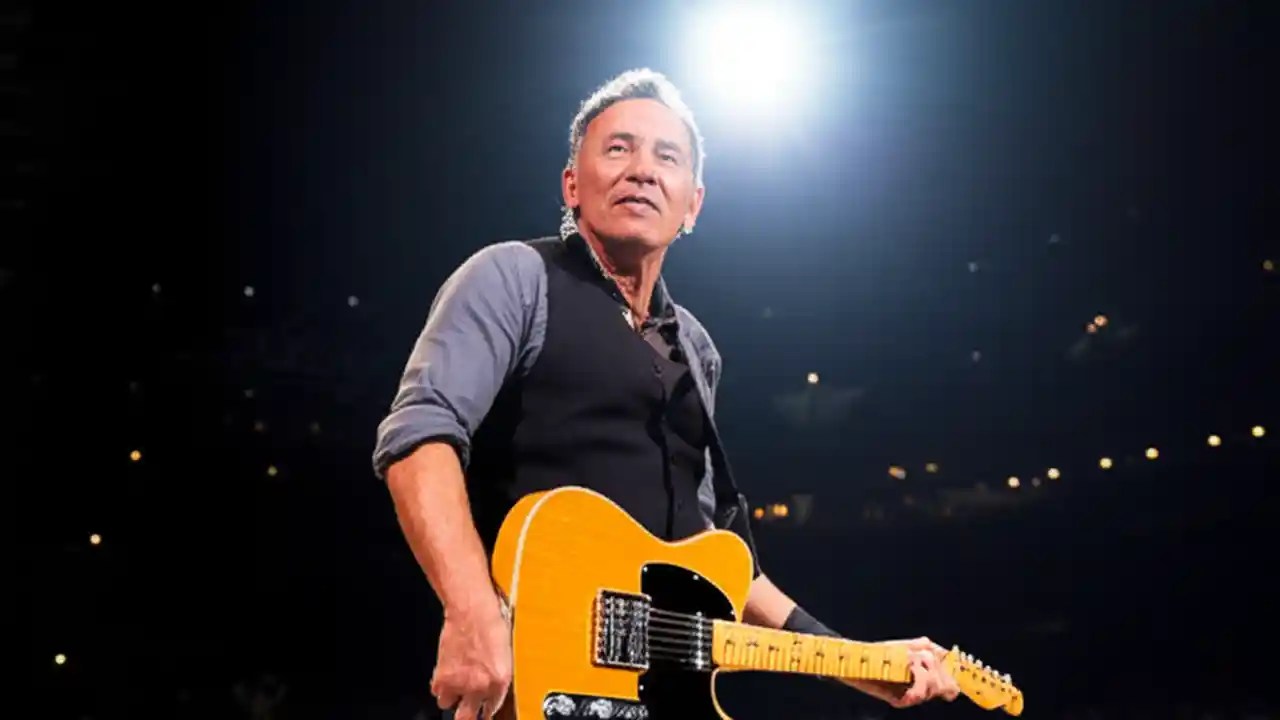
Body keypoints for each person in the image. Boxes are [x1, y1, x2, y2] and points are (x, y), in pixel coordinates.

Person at [372, 68, 959, 720]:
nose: (643, 170)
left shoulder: (697, 350)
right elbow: (420, 435)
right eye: (618, 148)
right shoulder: (514, 278)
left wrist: (856, 662)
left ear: (693, 204)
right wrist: (471, 609)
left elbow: (718, 561)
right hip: (537, 686)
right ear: (572, 184)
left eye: (667, 156)